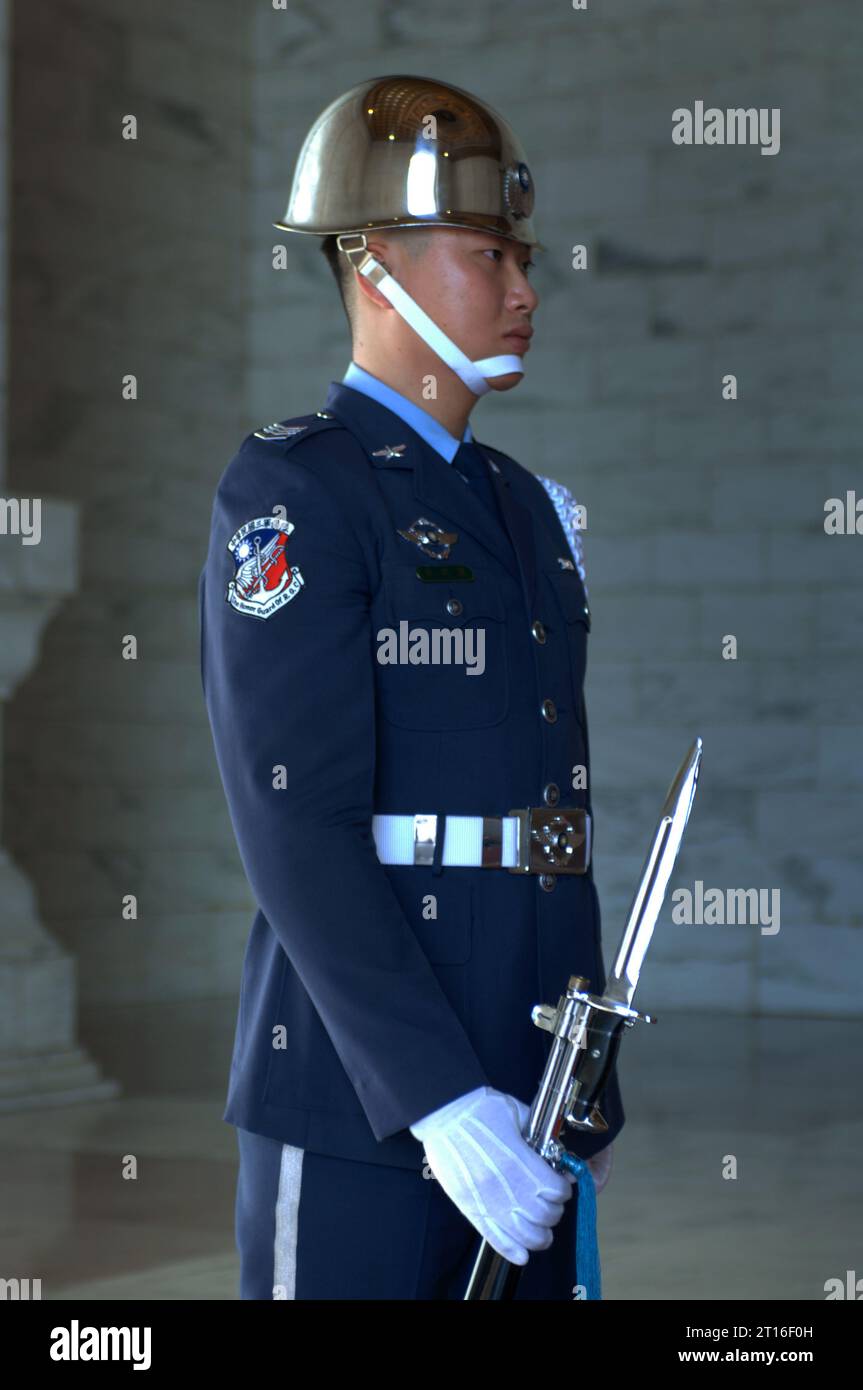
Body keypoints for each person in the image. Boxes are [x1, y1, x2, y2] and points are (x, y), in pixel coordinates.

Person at [199, 73, 624, 1301]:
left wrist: (573, 1085)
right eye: (489, 254)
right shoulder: (297, 492)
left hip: (533, 1073)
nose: (524, 289)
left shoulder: (526, 510)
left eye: (521, 257)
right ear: (374, 263)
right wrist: (436, 1100)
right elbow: (292, 818)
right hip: (357, 1091)